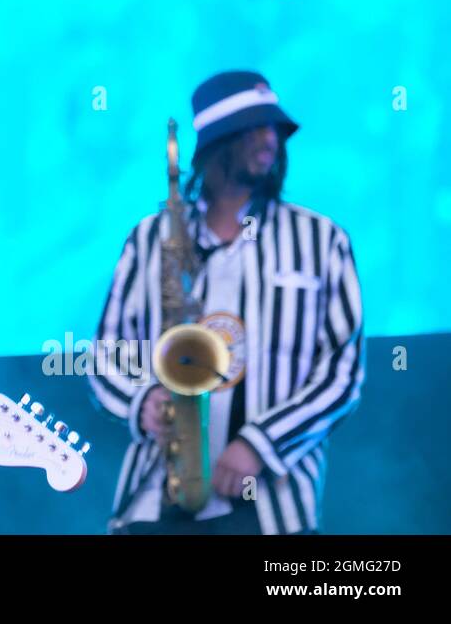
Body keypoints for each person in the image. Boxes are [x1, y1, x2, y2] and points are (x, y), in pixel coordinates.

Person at [89, 71, 364, 534]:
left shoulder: (322, 240)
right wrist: (145, 403)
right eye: (253, 127)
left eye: (274, 127)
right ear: (218, 140)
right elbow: (104, 357)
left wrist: (260, 444)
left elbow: (343, 373)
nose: (269, 139)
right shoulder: (150, 238)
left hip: (273, 510)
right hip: (158, 500)